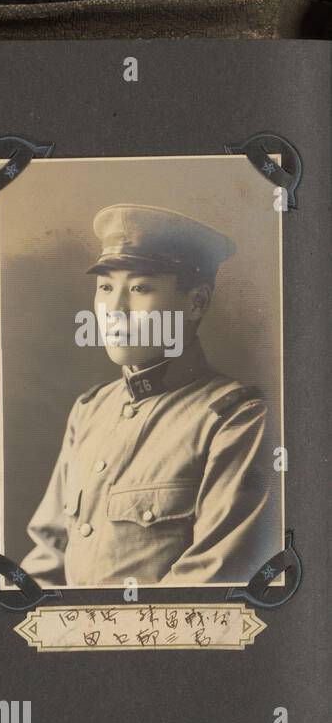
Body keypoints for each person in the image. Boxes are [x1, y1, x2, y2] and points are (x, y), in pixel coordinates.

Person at [20, 204, 274, 588]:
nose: (114, 310)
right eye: (105, 288)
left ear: (196, 302)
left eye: (139, 288)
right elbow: (47, 559)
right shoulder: (90, 411)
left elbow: (206, 584)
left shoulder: (235, 418)